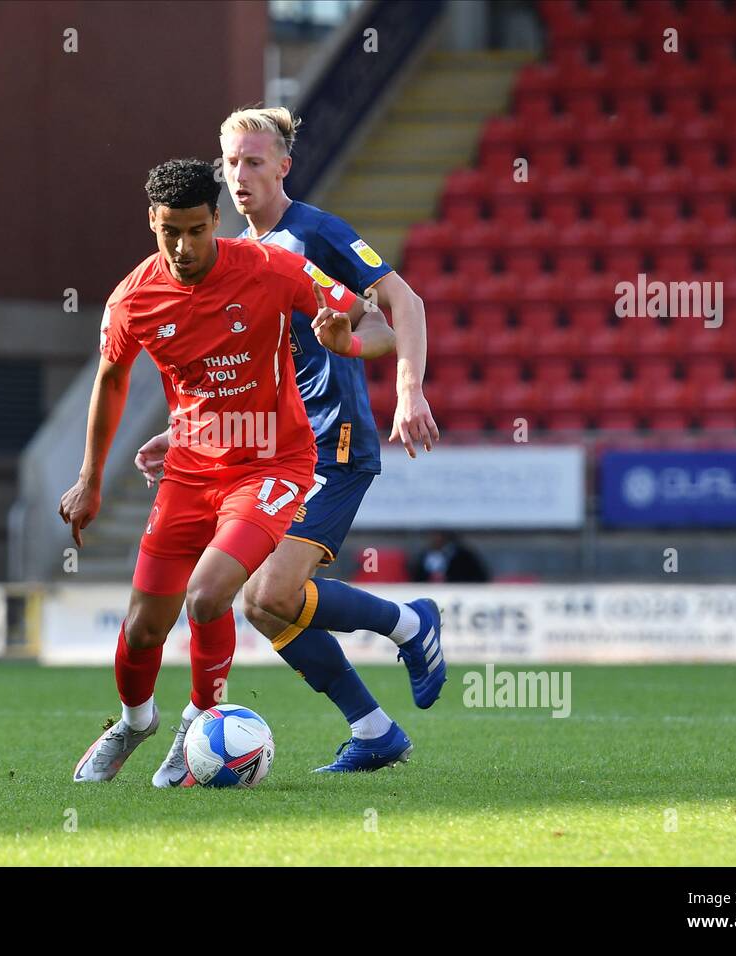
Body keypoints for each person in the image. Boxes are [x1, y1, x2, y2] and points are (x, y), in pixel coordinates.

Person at [134, 107, 445, 779]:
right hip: (269, 445)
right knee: (259, 602)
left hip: (332, 440)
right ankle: (374, 729)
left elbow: (404, 302)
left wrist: (410, 387)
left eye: (253, 161)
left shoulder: (316, 233)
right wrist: (185, 430)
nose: (239, 176)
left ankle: (409, 626)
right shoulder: (236, 260)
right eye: (230, 163)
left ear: (283, 166)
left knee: (269, 594)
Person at [60, 158, 369, 784]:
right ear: (152, 222)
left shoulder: (270, 266)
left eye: (196, 230)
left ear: (216, 222)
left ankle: (198, 727)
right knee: (143, 627)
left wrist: (354, 336)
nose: (182, 245)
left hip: (273, 464)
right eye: (169, 230)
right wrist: (91, 479)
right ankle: (134, 723)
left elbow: (357, 312)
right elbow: (111, 380)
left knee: (206, 598)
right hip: (189, 473)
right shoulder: (133, 298)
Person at [412, 531, 491, 584]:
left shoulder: (463, 555)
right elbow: (417, 576)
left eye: (439, 536)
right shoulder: (425, 554)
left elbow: (478, 576)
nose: (436, 539)